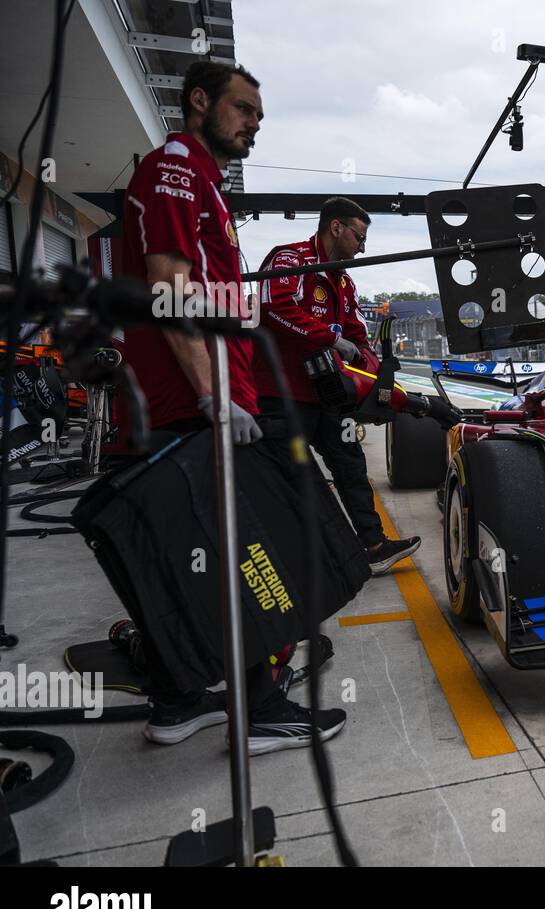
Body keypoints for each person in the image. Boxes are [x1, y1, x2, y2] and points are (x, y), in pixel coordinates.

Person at [117, 61, 346, 753]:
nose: (253, 123)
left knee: (190, 557)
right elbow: (171, 289)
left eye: (257, 115)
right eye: (243, 109)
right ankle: (263, 708)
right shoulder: (177, 171)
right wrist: (215, 398)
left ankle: (179, 700)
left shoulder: (200, 182)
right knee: (247, 554)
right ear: (199, 101)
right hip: (195, 403)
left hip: (190, 401)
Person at [253, 197, 421, 574]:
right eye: (359, 237)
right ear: (336, 228)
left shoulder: (344, 281)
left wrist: (375, 372)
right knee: (290, 476)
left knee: (350, 465)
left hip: (329, 394)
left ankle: (375, 546)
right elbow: (274, 307)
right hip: (281, 394)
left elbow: (358, 336)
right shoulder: (289, 259)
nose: (363, 247)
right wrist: (330, 338)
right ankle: (285, 560)